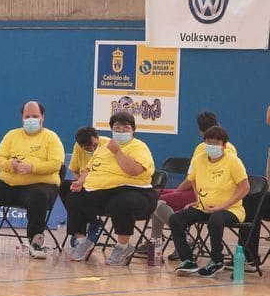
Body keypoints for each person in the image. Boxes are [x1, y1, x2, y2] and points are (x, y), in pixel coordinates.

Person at [0, 101, 64, 259]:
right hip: (10, 185)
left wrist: (32, 168)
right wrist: (10, 164)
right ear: (22, 118)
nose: (31, 119)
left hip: (40, 186)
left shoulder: (51, 137)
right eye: (27, 116)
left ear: (42, 118)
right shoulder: (11, 135)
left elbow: (56, 164)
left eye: (35, 116)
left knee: (38, 195)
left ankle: (35, 242)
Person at [64, 111, 157, 265]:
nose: (120, 131)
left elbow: (133, 170)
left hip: (137, 193)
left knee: (121, 202)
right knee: (73, 194)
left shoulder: (139, 147)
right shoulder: (103, 147)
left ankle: (123, 246)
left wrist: (118, 151)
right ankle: (82, 241)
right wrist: (81, 181)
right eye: (117, 127)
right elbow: (89, 168)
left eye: (125, 128)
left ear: (133, 130)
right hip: (103, 193)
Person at [169, 126, 249, 277]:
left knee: (215, 220)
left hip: (230, 210)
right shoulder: (199, 160)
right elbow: (192, 180)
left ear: (224, 145)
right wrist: (198, 199)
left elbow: (245, 188)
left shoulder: (233, 161)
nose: (211, 146)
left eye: (216, 143)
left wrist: (222, 206)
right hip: (204, 207)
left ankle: (216, 260)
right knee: (175, 219)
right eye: (208, 143)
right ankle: (187, 259)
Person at [150, 111, 237, 240]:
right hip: (207, 192)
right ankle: (155, 240)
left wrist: (177, 192)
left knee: (156, 201)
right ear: (218, 124)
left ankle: (182, 236)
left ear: (200, 131)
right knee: (154, 194)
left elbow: (191, 180)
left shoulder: (203, 147)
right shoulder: (230, 147)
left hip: (205, 195)